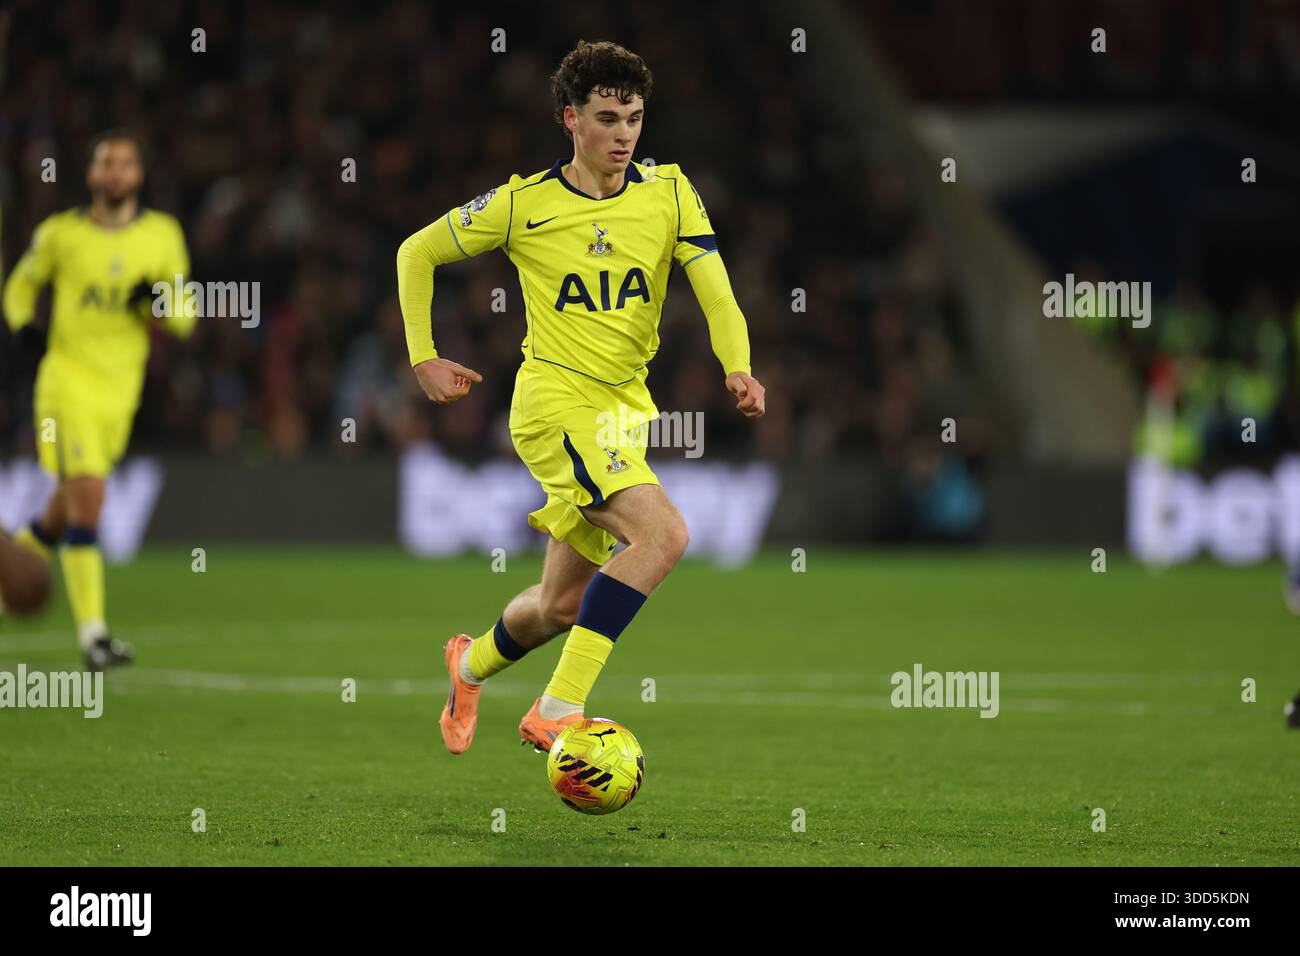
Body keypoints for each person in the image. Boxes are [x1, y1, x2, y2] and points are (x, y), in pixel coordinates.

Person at [396, 40, 766, 753]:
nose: (623, 134)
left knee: (561, 606)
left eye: (633, 117)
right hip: (556, 408)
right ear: (571, 119)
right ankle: (558, 708)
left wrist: (738, 366)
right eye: (607, 117)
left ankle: (467, 665)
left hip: (624, 414)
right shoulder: (521, 205)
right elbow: (417, 252)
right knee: (664, 536)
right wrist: (424, 357)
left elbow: (717, 293)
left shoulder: (669, 192)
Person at [3, 130, 196, 669]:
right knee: (89, 495)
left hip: (119, 393)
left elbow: (185, 317)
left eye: (125, 164)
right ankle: (94, 637)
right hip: (66, 382)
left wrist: (155, 299)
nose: (115, 173)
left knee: (66, 508)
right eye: (106, 164)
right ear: (91, 176)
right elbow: (19, 286)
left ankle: (9, 572)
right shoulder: (61, 235)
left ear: (137, 177)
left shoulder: (162, 235)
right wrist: (23, 328)